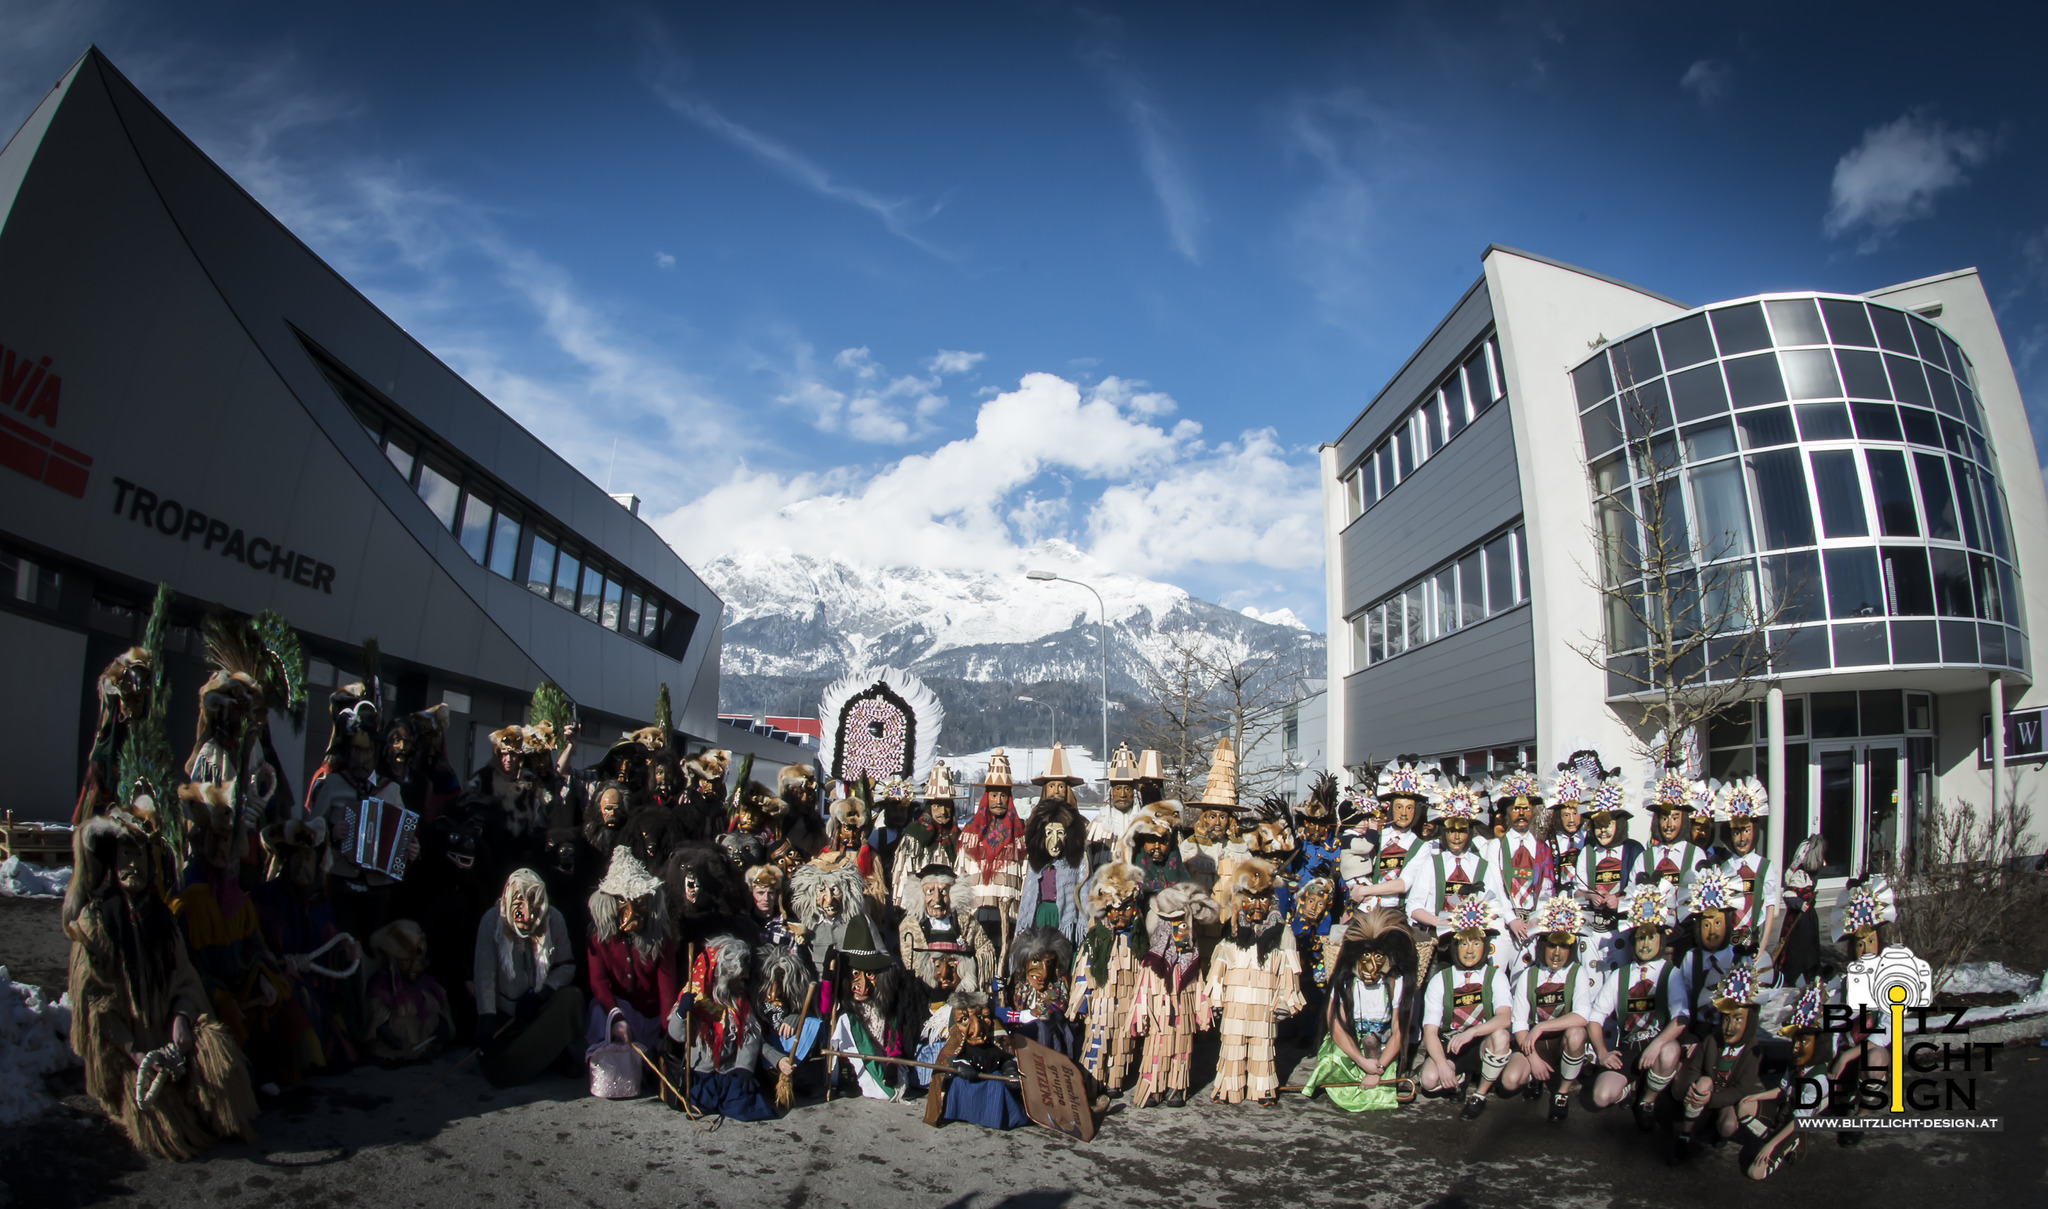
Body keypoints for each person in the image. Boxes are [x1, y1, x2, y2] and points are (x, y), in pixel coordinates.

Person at [66, 805, 260, 1160]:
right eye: (125, 853)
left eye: (140, 854)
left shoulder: (164, 920)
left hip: (170, 1040)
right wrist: (137, 1053)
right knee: (165, 1123)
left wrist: (183, 1020)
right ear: (111, 858)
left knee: (224, 1067)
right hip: (128, 1052)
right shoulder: (93, 924)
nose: (134, 864)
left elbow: (184, 978)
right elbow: (96, 1007)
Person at [172, 784, 307, 1092]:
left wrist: (261, 976)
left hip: (240, 985)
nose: (222, 849)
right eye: (216, 840)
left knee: (280, 994)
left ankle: (266, 1073)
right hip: (203, 995)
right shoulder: (188, 901)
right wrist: (217, 996)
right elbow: (186, 968)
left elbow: (253, 946)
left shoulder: (238, 899)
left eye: (228, 842)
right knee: (229, 1017)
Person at [251, 816, 357, 1074]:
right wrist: (278, 966)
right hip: (280, 989)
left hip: (317, 989)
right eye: (296, 857)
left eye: (308, 858)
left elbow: (331, 945)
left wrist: (347, 953)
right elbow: (253, 945)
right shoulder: (263, 899)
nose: (302, 864)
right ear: (286, 861)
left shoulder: (321, 903)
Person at [1203, 857, 1304, 1107]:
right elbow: (1219, 965)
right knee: (1232, 1044)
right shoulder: (1232, 930)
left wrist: (1284, 1000)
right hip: (1235, 1002)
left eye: (1262, 899)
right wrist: (1215, 997)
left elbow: (1289, 972)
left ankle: (1263, 1087)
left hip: (1264, 1006)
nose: (1257, 905)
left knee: (1262, 1045)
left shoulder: (1282, 934)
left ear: (1271, 900)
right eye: (1250, 898)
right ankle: (1228, 1086)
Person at [1500, 894, 1611, 1121]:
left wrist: (1542, 1027)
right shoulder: (1529, 975)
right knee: (1509, 1081)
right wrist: (1533, 1059)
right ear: (1542, 944)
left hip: (1561, 1042)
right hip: (1534, 1044)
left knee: (1578, 1033)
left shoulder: (1577, 972)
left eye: (1564, 945)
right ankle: (1535, 1077)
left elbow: (1582, 1015)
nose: (1557, 953)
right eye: (1552, 945)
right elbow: (1519, 1023)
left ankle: (1562, 1091)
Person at [1590, 881, 1689, 1129]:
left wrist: (1657, 1044)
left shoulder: (1671, 973)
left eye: (1651, 937)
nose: (1645, 944)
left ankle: (1647, 1099)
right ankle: (1631, 1087)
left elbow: (1681, 1018)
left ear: (1661, 940)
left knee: (1669, 1052)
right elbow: (1595, 1018)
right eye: (1640, 938)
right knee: (1600, 1097)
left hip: (1658, 1044)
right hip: (1630, 1046)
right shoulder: (1621, 975)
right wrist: (1602, 1052)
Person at [471, 868, 583, 1086]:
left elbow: (566, 966)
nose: (529, 916)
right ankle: (540, 1055)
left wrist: (542, 992)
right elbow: (485, 973)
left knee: (572, 998)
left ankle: (553, 1051)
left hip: (539, 1008)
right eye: (520, 905)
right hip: (505, 1014)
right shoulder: (491, 921)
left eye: (534, 905)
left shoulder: (554, 919)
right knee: (496, 1068)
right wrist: (486, 1016)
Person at [1301, 906, 1417, 1112]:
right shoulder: (1345, 982)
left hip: (1381, 1047)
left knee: (1382, 1084)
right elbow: (1336, 1027)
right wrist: (1361, 1061)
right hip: (1350, 1045)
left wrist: (1377, 1069)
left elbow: (1399, 1033)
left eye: (1379, 957)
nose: (1370, 966)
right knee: (1332, 1060)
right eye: (1365, 956)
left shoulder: (1396, 983)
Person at [1415, 897, 1513, 1120]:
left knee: (1501, 1037)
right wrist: (1441, 1064)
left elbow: (1505, 1018)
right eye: (1463, 943)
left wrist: (1473, 1032)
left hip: (1482, 1043)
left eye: (1476, 943)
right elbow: (1430, 1030)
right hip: (1453, 1045)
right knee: (1429, 1081)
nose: (1470, 950)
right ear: (1454, 946)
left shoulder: (1495, 976)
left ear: (1485, 946)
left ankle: (1480, 1095)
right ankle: (1460, 1077)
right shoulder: (1441, 979)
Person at [671, 935, 788, 1120]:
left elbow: (750, 1038)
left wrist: (744, 1067)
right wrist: (681, 1013)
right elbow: (677, 1036)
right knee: (698, 1104)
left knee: (745, 1108)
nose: (745, 979)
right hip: (701, 1071)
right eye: (739, 977)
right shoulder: (696, 1000)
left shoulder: (741, 1004)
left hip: (730, 1072)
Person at [1664, 957, 1766, 1164]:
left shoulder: (1752, 1050)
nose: (1729, 1027)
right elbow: (1694, 1067)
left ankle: (1719, 1130)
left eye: (1738, 1019)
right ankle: (1684, 1136)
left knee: (1728, 1125)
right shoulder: (1712, 1040)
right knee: (1703, 1082)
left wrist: (1710, 1100)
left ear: (1750, 1022)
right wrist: (1693, 1089)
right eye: (1726, 1018)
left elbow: (1741, 1089)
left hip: (1727, 1098)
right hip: (1705, 1092)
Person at [584, 847, 680, 1057]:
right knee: (598, 1011)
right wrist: (616, 1017)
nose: (630, 910)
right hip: (618, 1015)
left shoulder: (660, 940)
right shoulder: (599, 939)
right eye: (621, 900)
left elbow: (668, 992)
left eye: (638, 902)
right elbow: (599, 983)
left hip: (651, 1019)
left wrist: (667, 1034)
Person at [1127, 883, 1217, 1108]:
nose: (1176, 928)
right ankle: (1152, 1087)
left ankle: (1177, 1087)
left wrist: (1203, 1012)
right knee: (1156, 1048)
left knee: (1182, 1047)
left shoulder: (1192, 960)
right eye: (1170, 922)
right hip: (1159, 1015)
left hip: (1183, 1015)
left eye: (1180, 922)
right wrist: (1139, 1015)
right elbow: (1143, 990)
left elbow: (1198, 987)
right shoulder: (1152, 961)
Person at [1073, 861, 1147, 1104]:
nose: (1120, 915)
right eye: (1114, 909)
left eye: (1126, 909)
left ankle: (1115, 1081)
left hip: (1127, 1003)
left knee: (1122, 1043)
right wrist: (1080, 1003)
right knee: (1098, 1039)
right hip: (1102, 1003)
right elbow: (1083, 972)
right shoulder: (1096, 939)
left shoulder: (1138, 942)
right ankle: (1092, 1079)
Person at [1743, 984, 1830, 1179]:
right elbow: (1784, 1090)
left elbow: (1800, 1119)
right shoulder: (1795, 1063)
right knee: (1744, 1107)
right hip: (1787, 1110)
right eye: (1795, 1041)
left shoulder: (1818, 1077)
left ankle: (1791, 1141)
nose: (1797, 1047)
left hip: (1797, 1121)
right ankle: (1774, 1137)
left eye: (1804, 1041)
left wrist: (1770, 1145)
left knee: (1755, 1173)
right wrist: (1755, 1097)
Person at [826, 914, 906, 1100]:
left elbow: (894, 1037)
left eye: (869, 975)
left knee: (891, 1090)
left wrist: (893, 1064)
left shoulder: (884, 1002)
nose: (862, 985)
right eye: (855, 974)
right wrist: (827, 977)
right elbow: (824, 1008)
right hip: (856, 1058)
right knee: (846, 1021)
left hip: (880, 1057)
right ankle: (848, 1075)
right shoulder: (845, 1003)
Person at [961, 751, 1028, 962]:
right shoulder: (970, 835)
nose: (998, 800)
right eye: (994, 795)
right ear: (986, 796)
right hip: (975, 918)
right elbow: (960, 877)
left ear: (1009, 798)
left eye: (1003, 795)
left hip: (1010, 918)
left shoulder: (1019, 837)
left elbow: (1026, 879)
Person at [363, 919, 454, 1063]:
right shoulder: (381, 987)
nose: (413, 968)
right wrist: (390, 1036)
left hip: (425, 1051)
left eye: (417, 961)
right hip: (396, 1053)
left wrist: (444, 1027)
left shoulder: (429, 985)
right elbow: (377, 1023)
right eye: (406, 961)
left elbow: (442, 1013)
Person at [1488, 767, 1554, 957]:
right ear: (1507, 813)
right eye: (1516, 809)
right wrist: (1511, 919)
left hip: (1532, 926)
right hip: (1503, 924)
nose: (1521, 814)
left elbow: (1547, 886)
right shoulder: (1496, 846)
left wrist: (1536, 919)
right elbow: (1495, 885)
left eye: (1526, 808)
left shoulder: (1543, 847)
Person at [1016, 790, 1087, 954]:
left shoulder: (1076, 864)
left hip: (1063, 917)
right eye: (1049, 833)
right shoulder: (1036, 864)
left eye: (1060, 833)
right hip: (1042, 915)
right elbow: (1029, 894)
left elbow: (1083, 896)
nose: (1054, 842)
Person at [1715, 778, 1780, 949]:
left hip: (1754, 940)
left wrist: (1764, 944)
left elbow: (1770, 904)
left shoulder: (1764, 866)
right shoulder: (1724, 868)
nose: (1742, 839)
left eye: (1746, 831)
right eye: (1737, 833)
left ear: (1754, 831)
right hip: (1728, 943)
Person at [893, 761, 968, 911]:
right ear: (929, 807)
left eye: (947, 805)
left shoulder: (958, 838)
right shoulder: (914, 836)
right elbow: (903, 874)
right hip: (919, 907)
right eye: (937, 806)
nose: (943, 812)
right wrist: (903, 906)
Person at [1180, 738, 1248, 892]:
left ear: (1230, 820)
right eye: (1212, 816)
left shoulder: (1240, 849)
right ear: (1204, 818)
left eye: (1222, 817)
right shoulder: (1189, 846)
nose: (1217, 822)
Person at [1001, 925, 1077, 1059]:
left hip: (1047, 1044)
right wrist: (999, 992)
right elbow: (1004, 1007)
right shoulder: (1017, 979)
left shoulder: (1059, 980)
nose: (1043, 972)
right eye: (1036, 961)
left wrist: (1018, 1016)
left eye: (1048, 962)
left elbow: (1054, 1010)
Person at [1643, 764, 1710, 900]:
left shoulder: (1696, 855)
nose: (1669, 825)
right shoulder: (1644, 858)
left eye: (1675, 818)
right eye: (1664, 818)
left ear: (1684, 820)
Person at [1087, 742, 1145, 868]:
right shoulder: (1097, 827)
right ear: (1111, 793)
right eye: (1118, 789)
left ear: (1134, 794)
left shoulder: (1145, 828)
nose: (1123, 794)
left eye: (1127, 789)